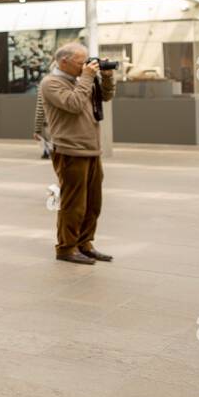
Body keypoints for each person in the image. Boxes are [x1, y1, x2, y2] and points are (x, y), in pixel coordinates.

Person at [39, 42, 116, 266]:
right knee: (74, 204)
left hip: (91, 148)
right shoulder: (51, 83)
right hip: (70, 150)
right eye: (80, 62)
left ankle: (85, 243)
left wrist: (108, 77)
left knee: (93, 203)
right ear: (64, 61)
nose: (86, 66)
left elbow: (106, 97)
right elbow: (74, 104)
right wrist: (87, 77)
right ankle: (66, 247)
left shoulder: (81, 80)